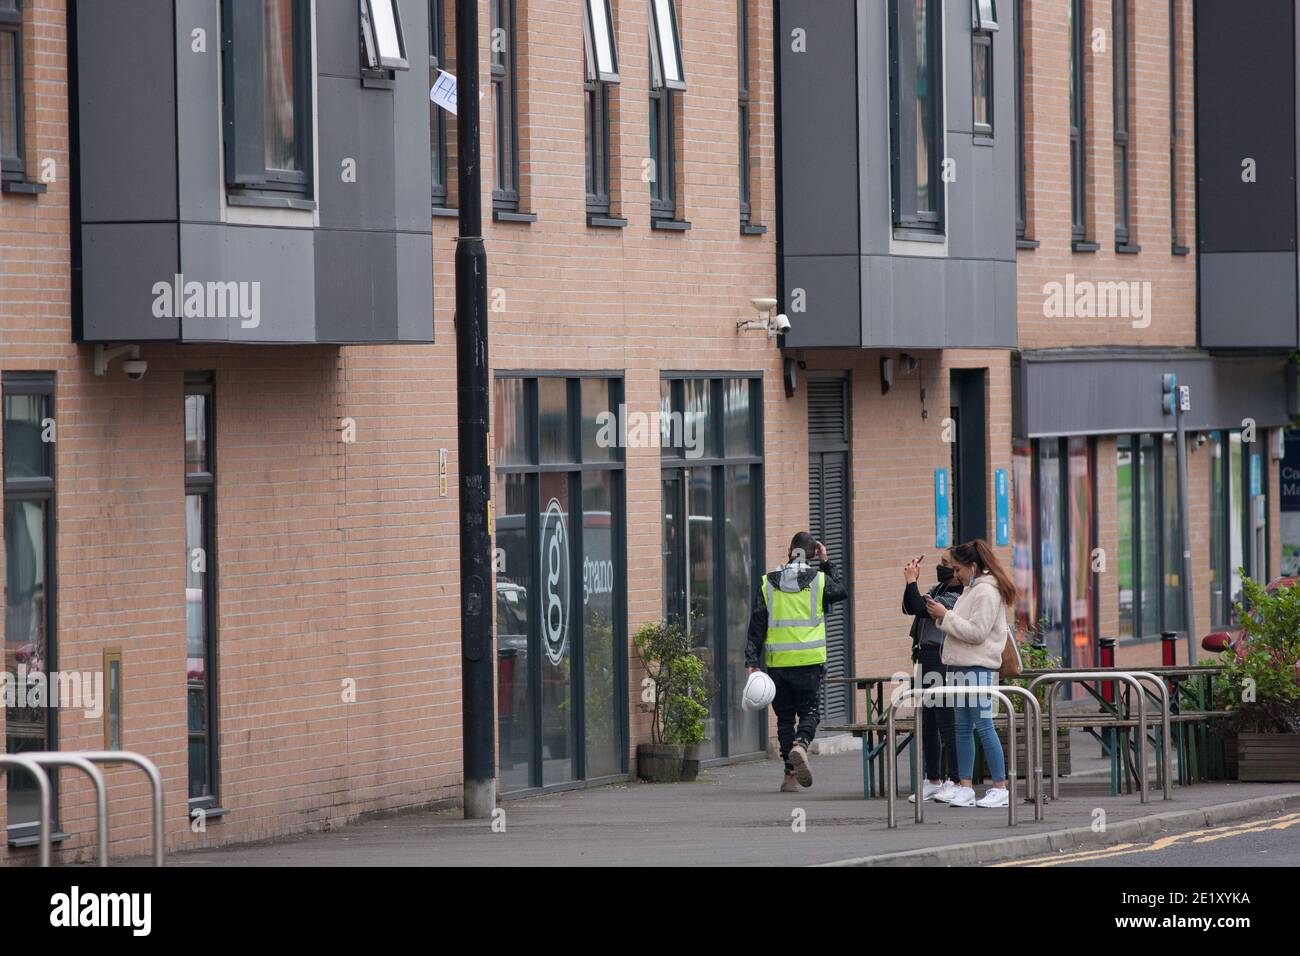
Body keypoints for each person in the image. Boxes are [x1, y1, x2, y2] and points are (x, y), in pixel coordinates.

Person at [746, 531, 847, 792]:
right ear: (812, 553)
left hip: (778, 662)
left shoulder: (768, 582)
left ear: (789, 550)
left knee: (784, 718)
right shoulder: (819, 580)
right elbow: (840, 592)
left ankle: (789, 776)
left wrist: (751, 660)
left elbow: (757, 624)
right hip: (809, 661)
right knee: (810, 711)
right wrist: (825, 562)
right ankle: (801, 745)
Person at [925, 538, 1016, 809]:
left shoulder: (986, 592)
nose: (955, 575)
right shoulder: (971, 589)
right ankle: (965, 786)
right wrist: (943, 616)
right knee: (962, 727)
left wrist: (946, 615)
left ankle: (1000, 787)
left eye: (958, 569)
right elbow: (964, 626)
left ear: (973, 566)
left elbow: (977, 632)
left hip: (979, 665)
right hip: (961, 664)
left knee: (983, 726)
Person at [901, 550, 963, 803]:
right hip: (926, 656)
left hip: (942, 658)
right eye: (941, 563)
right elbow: (909, 607)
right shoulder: (937, 589)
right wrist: (911, 584)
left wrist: (911, 581)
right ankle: (933, 778)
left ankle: (956, 778)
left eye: (946, 564)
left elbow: (920, 607)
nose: (942, 567)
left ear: (959, 570)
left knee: (946, 720)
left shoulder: (957, 596)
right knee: (928, 720)